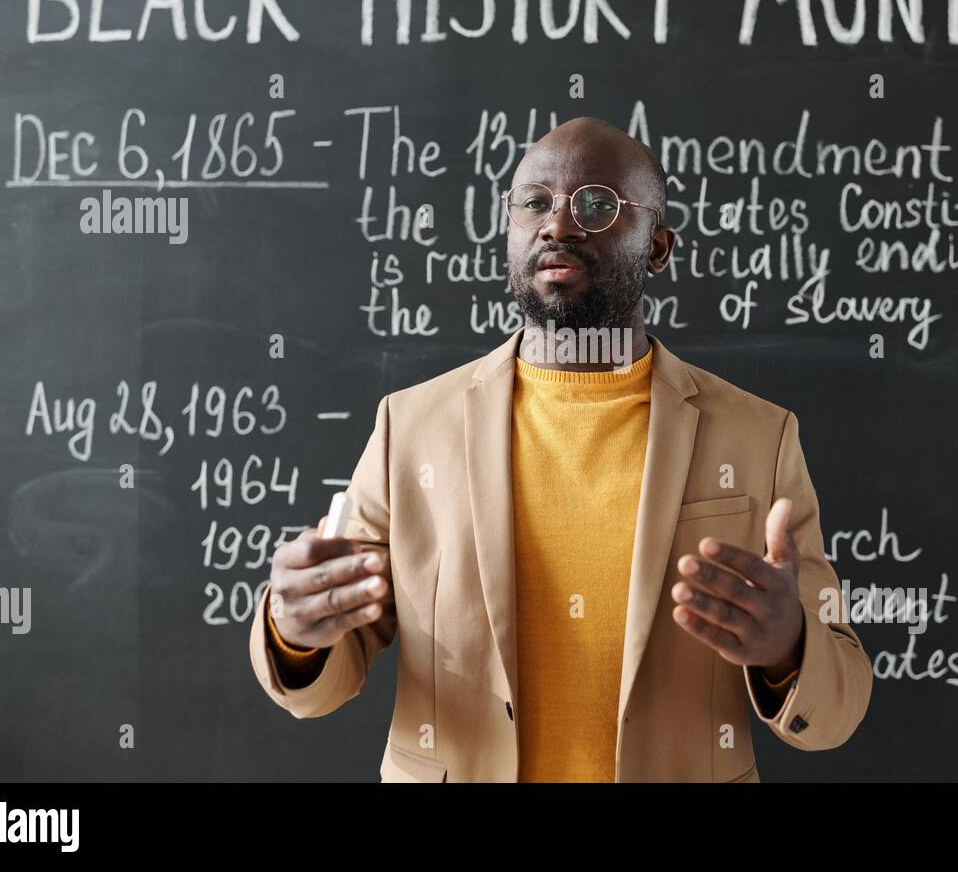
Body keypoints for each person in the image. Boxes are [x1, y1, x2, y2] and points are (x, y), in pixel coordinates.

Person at [248, 116, 872, 782]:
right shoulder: (411, 426)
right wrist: (295, 631)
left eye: (598, 205)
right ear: (510, 227)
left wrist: (789, 647)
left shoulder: (757, 436)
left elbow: (836, 712)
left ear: (657, 247)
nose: (559, 225)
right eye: (535, 203)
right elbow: (328, 674)